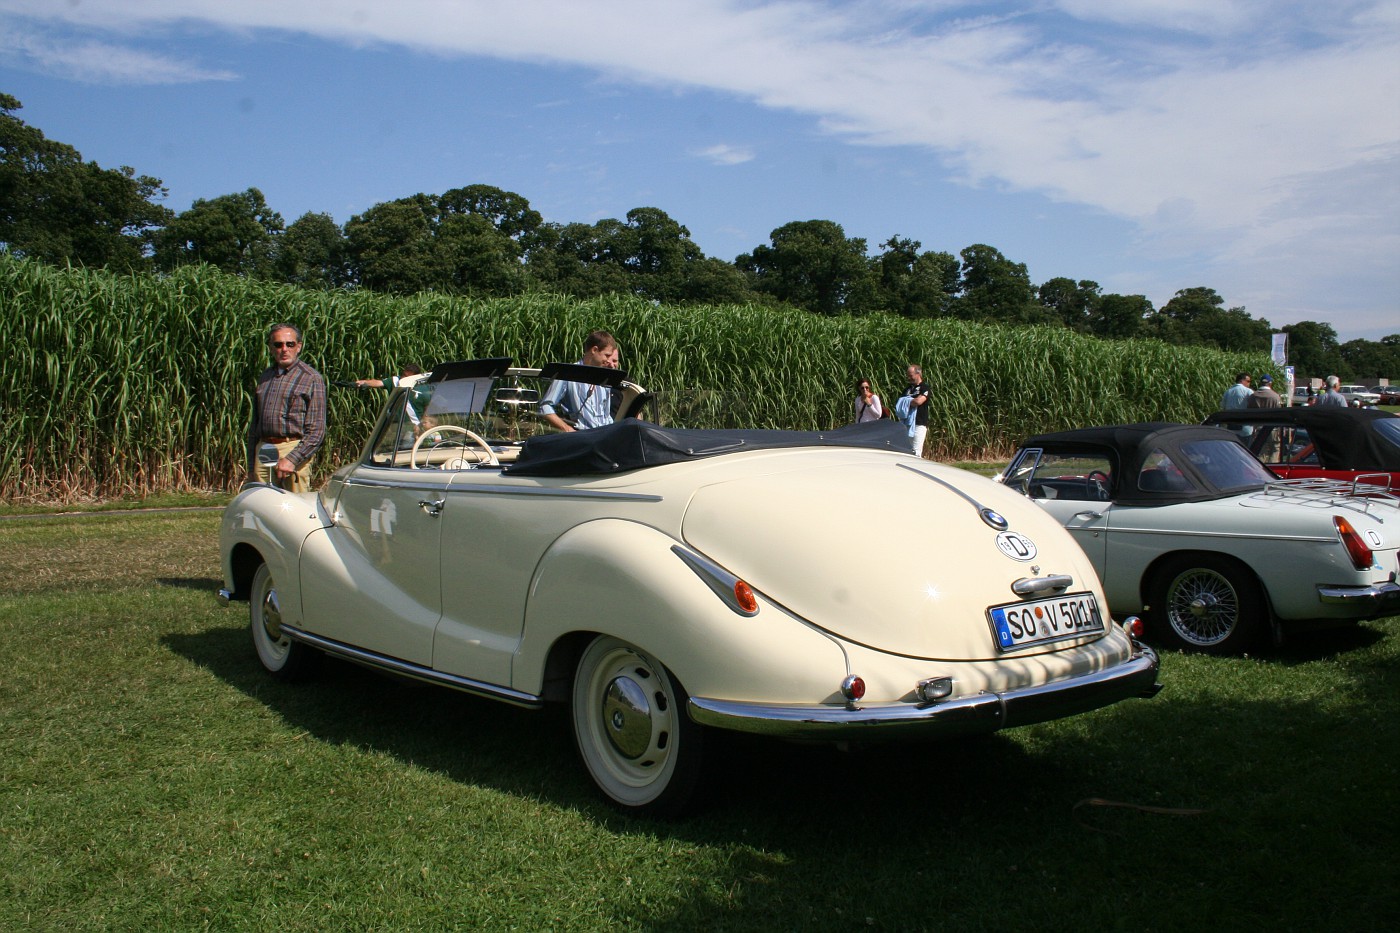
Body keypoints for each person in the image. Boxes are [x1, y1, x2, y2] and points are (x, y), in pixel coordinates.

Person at [246, 323, 326, 491]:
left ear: (298, 347)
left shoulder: (311, 378)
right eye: (278, 344)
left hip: (292, 446)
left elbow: (317, 431)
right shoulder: (265, 377)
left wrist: (292, 459)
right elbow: (255, 424)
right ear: (271, 347)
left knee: (294, 507)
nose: (284, 349)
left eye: (290, 344)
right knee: (264, 505)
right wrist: (251, 464)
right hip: (265, 447)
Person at [539, 330, 620, 431]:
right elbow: (545, 407)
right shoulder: (568, 374)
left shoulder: (604, 377)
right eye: (606, 355)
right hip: (581, 438)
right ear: (594, 350)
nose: (608, 361)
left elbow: (606, 415)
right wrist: (568, 429)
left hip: (603, 438)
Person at [901, 364, 931, 457]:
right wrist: (911, 401)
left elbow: (919, 401)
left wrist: (907, 401)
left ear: (918, 374)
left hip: (919, 424)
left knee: (915, 452)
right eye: (908, 375)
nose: (909, 378)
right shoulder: (907, 389)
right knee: (906, 451)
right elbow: (900, 403)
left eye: (911, 375)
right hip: (907, 423)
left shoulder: (924, 388)